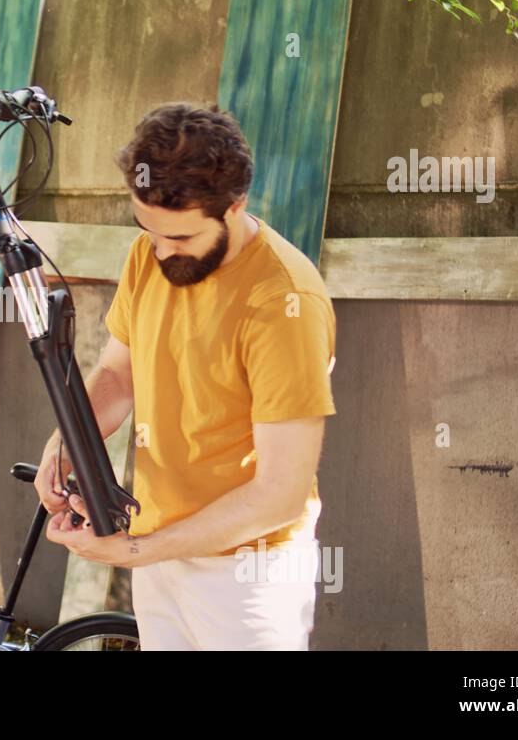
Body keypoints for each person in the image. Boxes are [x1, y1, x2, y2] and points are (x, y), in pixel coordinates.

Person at [37, 102, 336, 651]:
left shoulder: (283, 301)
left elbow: (280, 493)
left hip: (247, 575)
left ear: (235, 206)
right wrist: (65, 445)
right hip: (159, 548)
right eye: (148, 230)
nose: (159, 251)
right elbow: (118, 375)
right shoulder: (146, 255)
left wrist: (131, 553)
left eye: (179, 238)